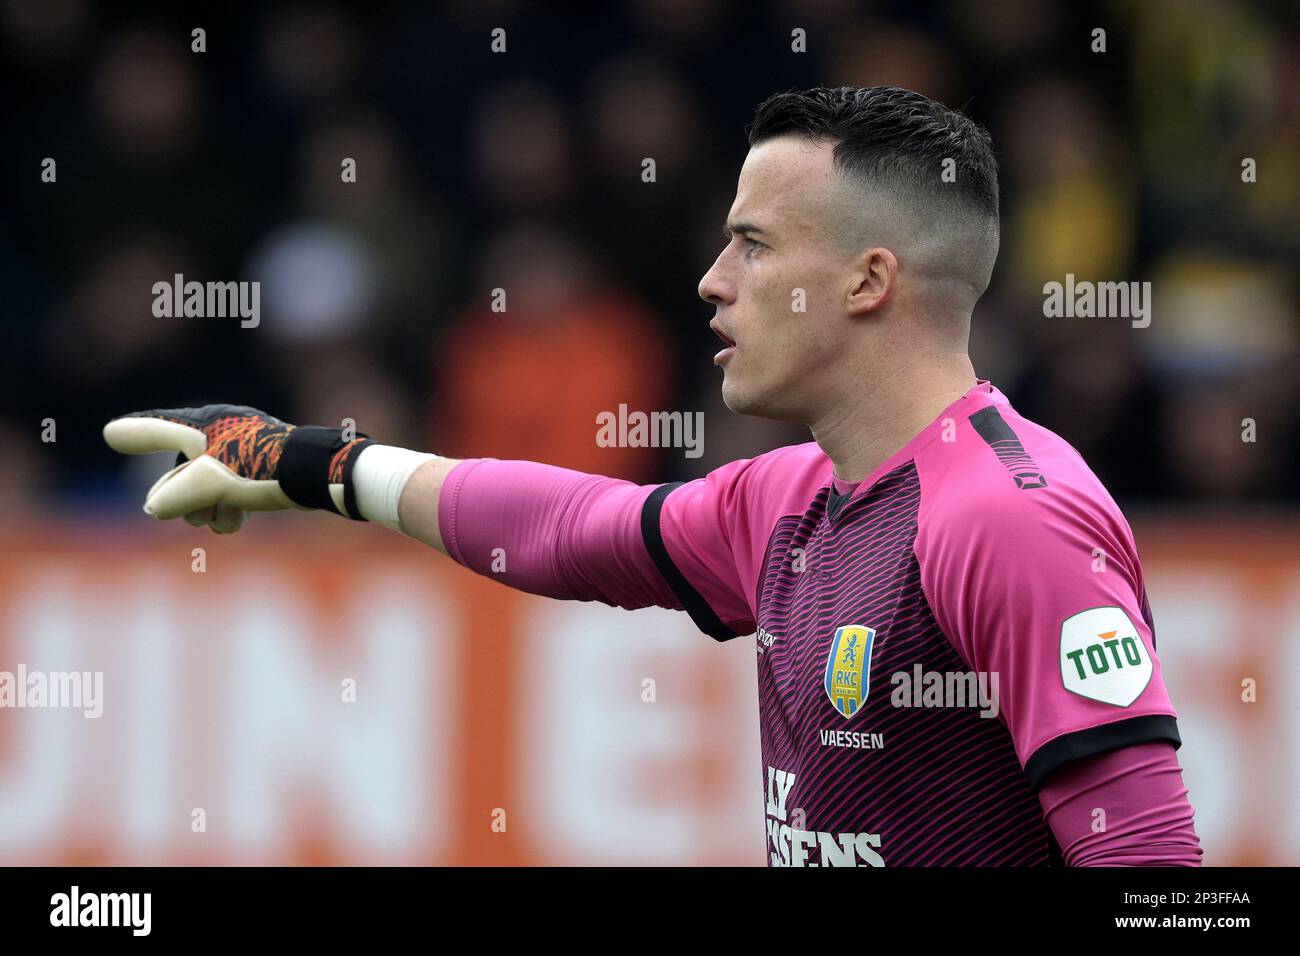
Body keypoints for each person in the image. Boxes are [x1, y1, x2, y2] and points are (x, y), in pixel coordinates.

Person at [104, 86, 1201, 867]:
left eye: (754, 245)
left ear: (867, 280)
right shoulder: (792, 497)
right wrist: (308, 462)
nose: (712, 281)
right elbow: (571, 526)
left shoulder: (1008, 521)